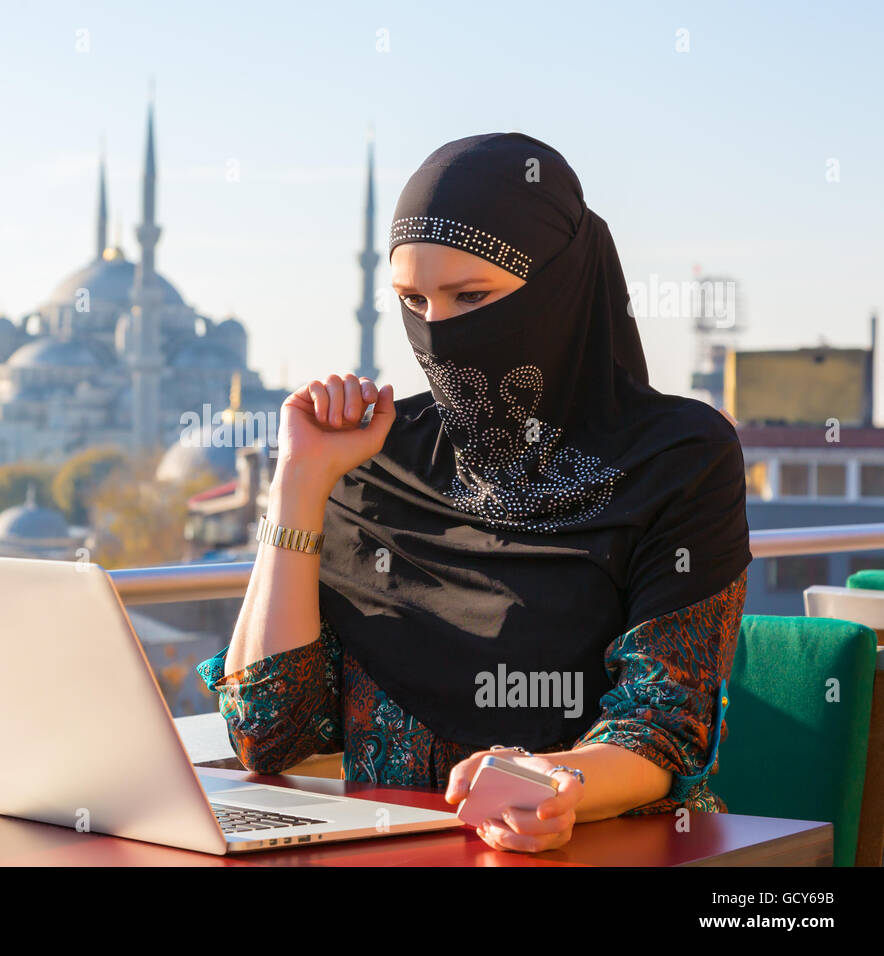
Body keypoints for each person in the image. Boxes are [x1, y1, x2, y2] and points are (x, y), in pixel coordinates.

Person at [195, 132, 751, 854]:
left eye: (472, 296)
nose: (440, 332)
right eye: (414, 300)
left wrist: (553, 784)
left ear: (559, 285)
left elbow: (662, 728)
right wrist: (299, 482)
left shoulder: (677, 457)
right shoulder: (372, 457)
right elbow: (266, 732)